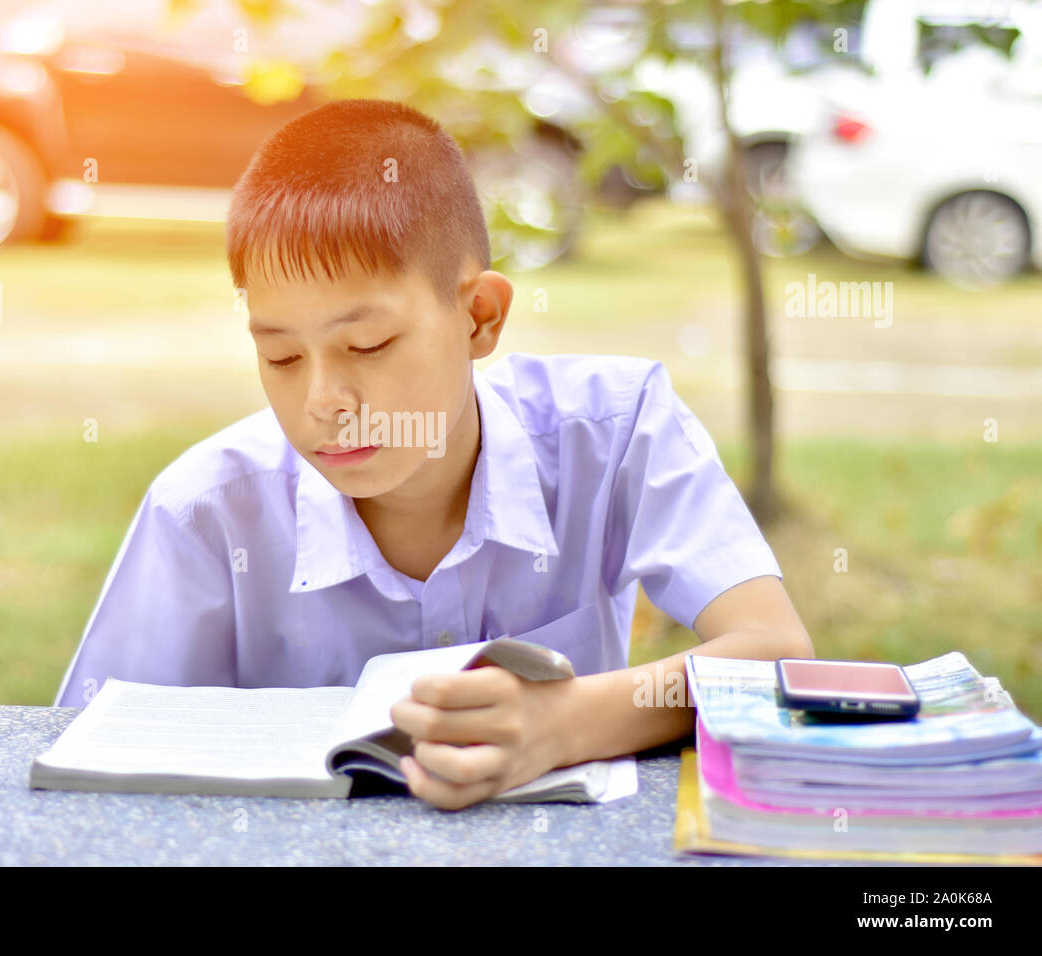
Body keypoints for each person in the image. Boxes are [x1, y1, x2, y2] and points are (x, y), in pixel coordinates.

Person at [54, 98, 814, 810]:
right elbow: (87, 754)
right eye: (281, 357)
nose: (323, 399)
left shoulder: (614, 434)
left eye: (368, 344)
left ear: (479, 317)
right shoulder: (206, 514)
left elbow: (777, 659)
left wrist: (567, 724)